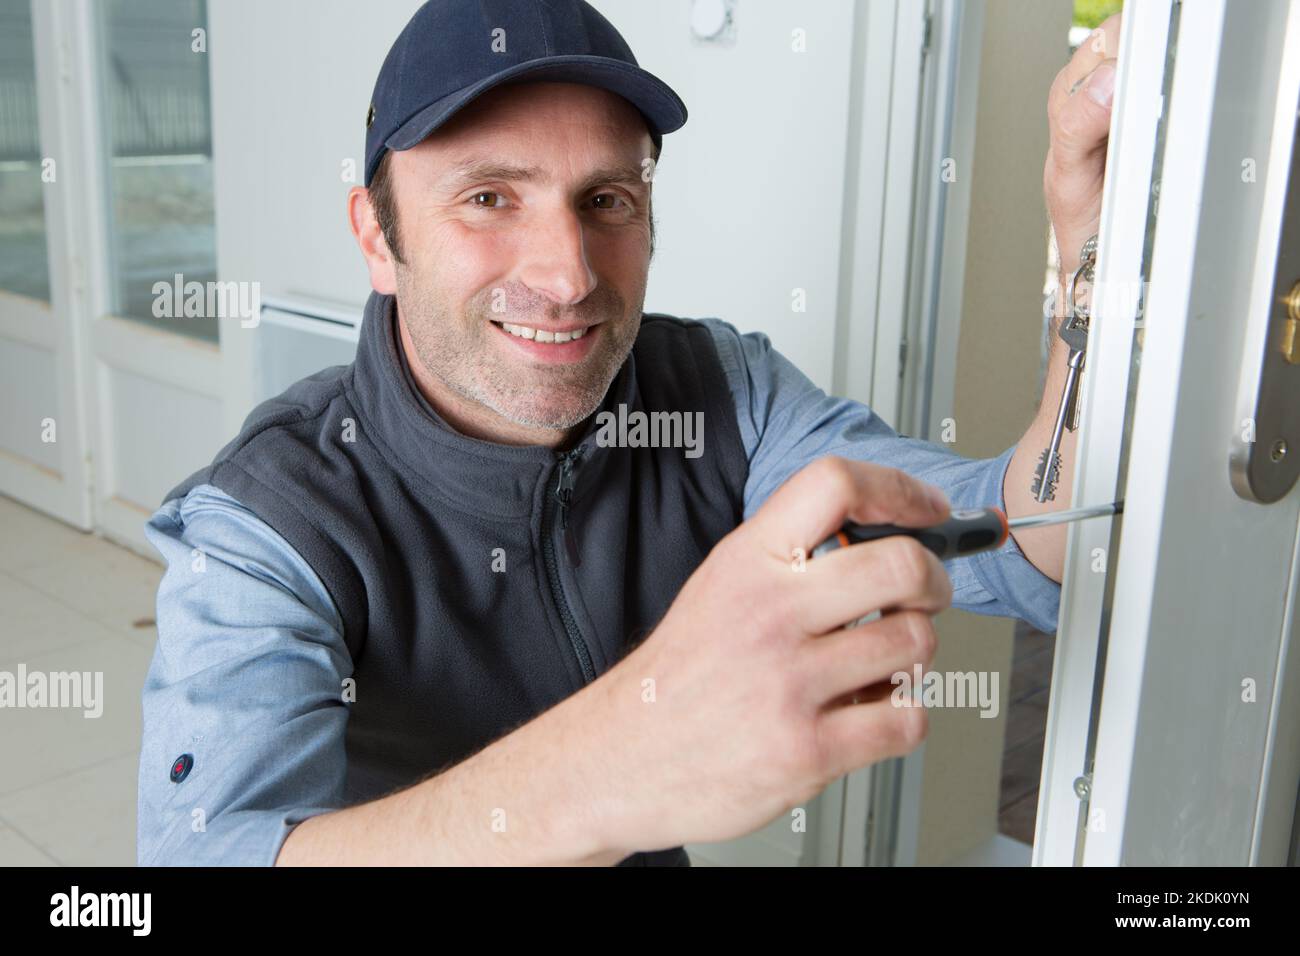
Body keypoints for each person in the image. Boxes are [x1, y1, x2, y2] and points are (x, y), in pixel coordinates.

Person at [137, 0, 1120, 866]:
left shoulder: (720, 394)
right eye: (488, 198)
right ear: (376, 237)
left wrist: (1091, 265)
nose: (566, 276)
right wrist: (615, 762)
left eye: (606, 200)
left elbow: (1040, 539)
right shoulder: (269, 519)